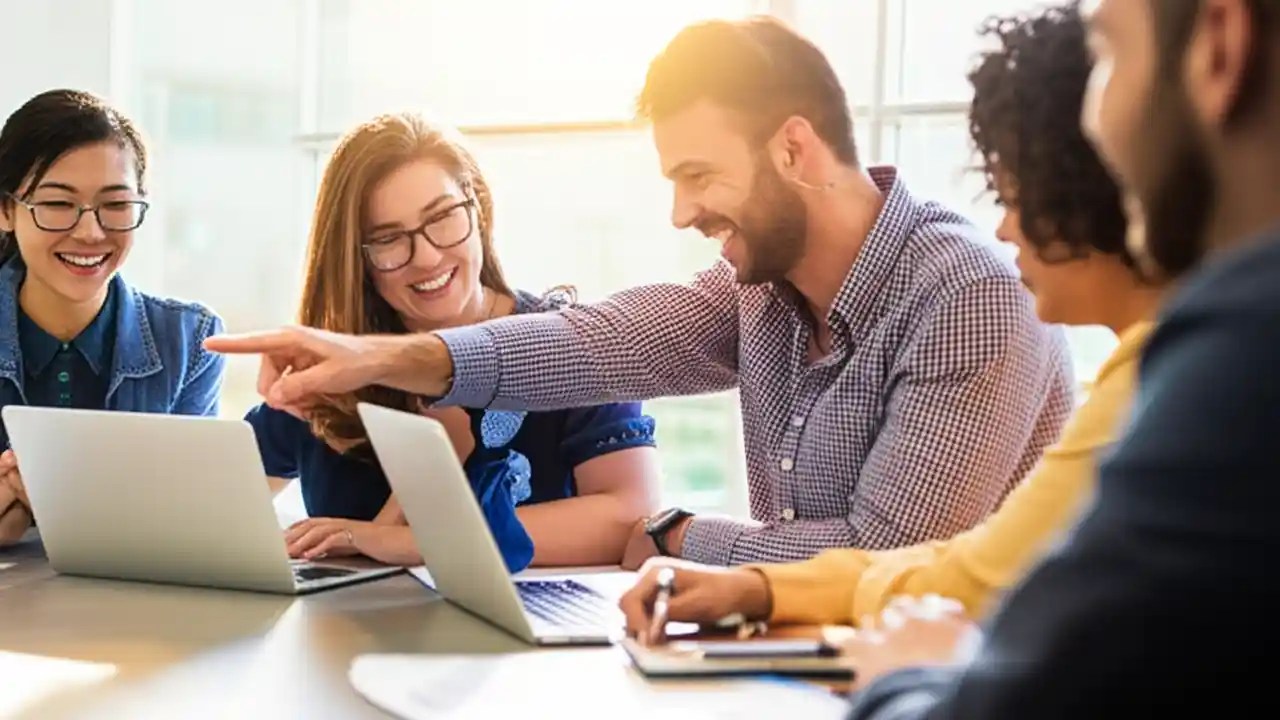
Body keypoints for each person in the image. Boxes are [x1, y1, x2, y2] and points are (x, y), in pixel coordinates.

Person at [207, 17, 1075, 569]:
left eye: (699, 175)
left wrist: (676, 535)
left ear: (794, 150)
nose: (681, 210)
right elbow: (590, 343)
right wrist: (370, 355)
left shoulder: (968, 299)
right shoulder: (762, 293)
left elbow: (888, 558)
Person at [617, 0, 1162, 641]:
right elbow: (961, 569)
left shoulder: (980, 294)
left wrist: (690, 540)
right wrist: (753, 587)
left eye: (1018, 198)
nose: (1004, 227)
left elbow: (917, 556)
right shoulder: (1144, 376)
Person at [839, 0, 1280, 715]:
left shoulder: (1245, 356)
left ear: (1220, 46)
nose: (1091, 123)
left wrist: (909, 675)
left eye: (1106, 53)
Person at [245, 113, 661, 572]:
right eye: (387, 239)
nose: (425, 256)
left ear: (477, 206)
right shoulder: (337, 368)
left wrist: (405, 542)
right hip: (350, 638)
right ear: (354, 260)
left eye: (442, 218)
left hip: (530, 639)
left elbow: (630, 516)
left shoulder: (566, 342)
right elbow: (212, 507)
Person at [0, 89, 226, 545]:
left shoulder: (189, 340)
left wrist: (80, 512)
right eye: (58, 204)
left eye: (116, 205)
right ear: (6, 211)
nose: (90, 231)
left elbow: (189, 519)